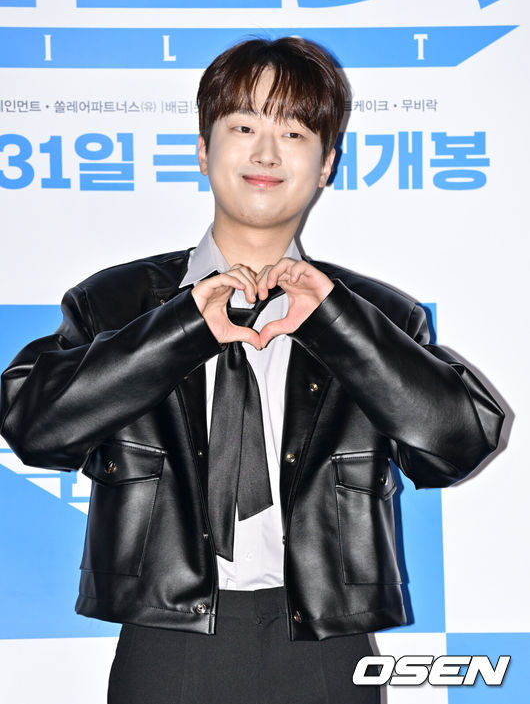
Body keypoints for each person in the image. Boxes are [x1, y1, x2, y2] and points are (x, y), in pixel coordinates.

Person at [0, 37, 504, 704]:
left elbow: (458, 445)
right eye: (243, 127)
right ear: (203, 150)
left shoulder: (376, 315)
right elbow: (35, 429)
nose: (266, 153)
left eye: (293, 133)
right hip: (168, 641)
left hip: (325, 643)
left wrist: (338, 323)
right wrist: (182, 327)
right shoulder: (115, 303)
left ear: (325, 165)